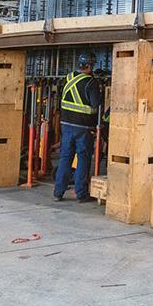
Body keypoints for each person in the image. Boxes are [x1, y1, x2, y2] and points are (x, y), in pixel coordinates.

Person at [54, 56, 101, 202]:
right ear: (89, 66)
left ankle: (58, 193)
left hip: (66, 125)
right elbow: (96, 105)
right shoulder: (91, 83)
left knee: (65, 158)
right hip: (83, 127)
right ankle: (81, 194)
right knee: (83, 159)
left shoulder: (69, 78)